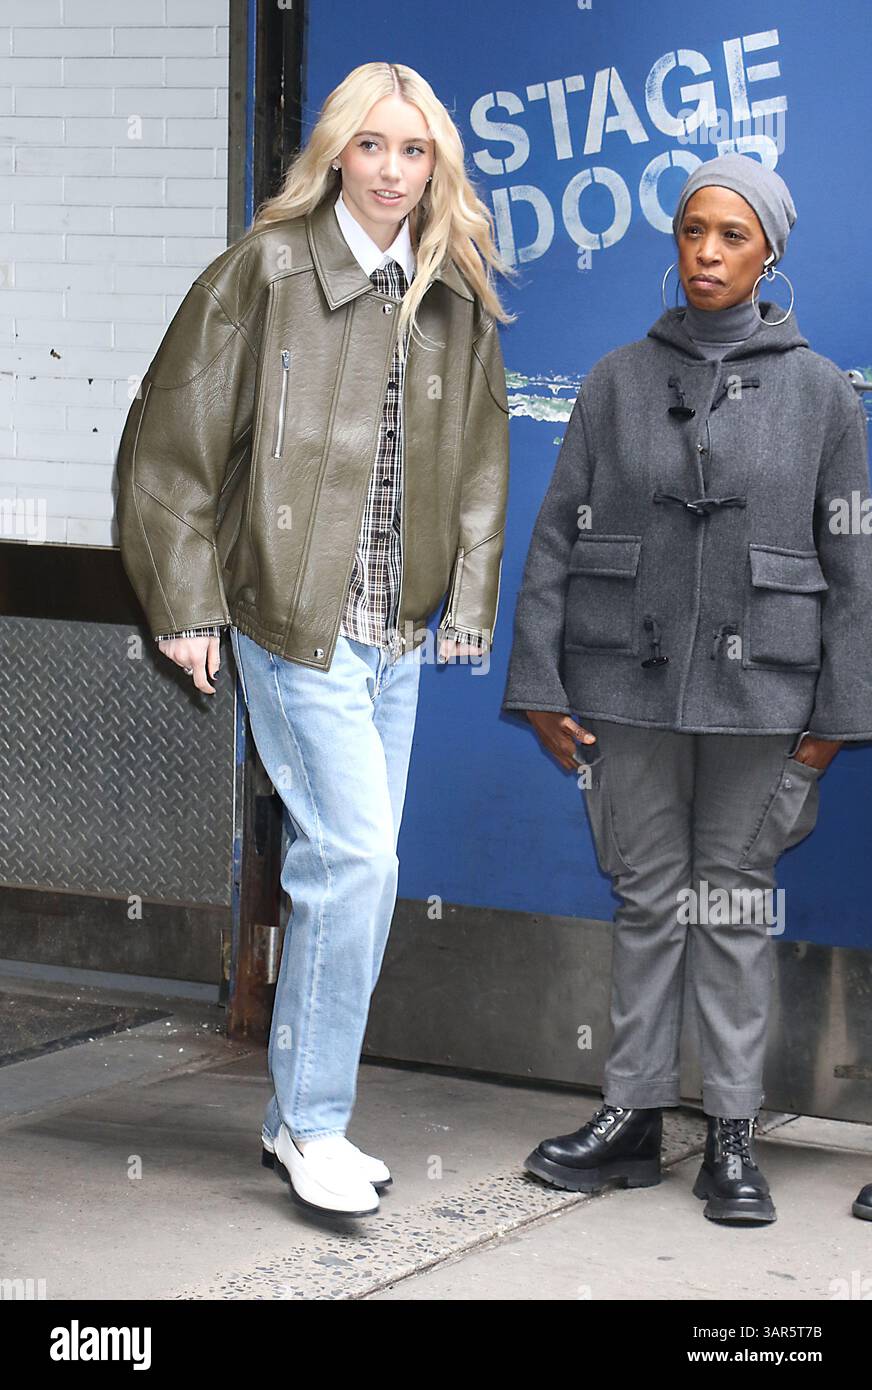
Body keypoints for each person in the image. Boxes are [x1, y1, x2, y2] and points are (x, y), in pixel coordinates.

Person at [117, 60, 512, 1218]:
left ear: (434, 162)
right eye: (372, 146)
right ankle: (309, 1125)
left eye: (414, 150)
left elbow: (483, 462)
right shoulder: (269, 268)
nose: (393, 171)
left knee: (352, 876)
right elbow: (171, 442)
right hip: (294, 621)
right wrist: (187, 601)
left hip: (395, 630)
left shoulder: (448, 288)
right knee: (356, 863)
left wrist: (468, 603)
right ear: (336, 151)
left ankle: (302, 1114)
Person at [502, 153, 872, 1225]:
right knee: (646, 902)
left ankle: (732, 1136)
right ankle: (626, 1121)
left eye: (731, 237)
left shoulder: (820, 394)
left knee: (733, 908)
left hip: (766, 701)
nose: (705, 254)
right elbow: (555, 534)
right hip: (627, 684)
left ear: (769, 255)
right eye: (691, 232)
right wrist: (537, 678)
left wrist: (827, 730)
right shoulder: (617, 378)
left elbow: (854, 573)